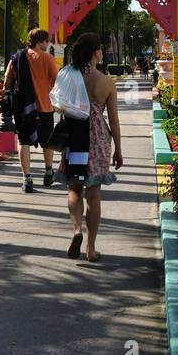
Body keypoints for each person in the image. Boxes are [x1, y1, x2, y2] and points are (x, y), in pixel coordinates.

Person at [57, 32, 122, 263]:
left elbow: (60, 105)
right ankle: (91, 249)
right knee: (93, 196)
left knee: (74, 188)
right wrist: (118, 149)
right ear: (96, 52)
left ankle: (76, 230)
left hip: (75, 136)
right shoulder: (105, 82)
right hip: (97, 141)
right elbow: (113, 120)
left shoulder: (70, 76)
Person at [3, 27, 59, 193]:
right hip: (45, 107)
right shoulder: (48, 59)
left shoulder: (17, 58)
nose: (48, 44)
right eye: (46, 41)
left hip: (23, 109)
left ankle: (27, 179)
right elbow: (57, 81)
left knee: (24, 141)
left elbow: (7, 81)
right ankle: (48, 172)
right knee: (47, 141)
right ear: (40, 41)